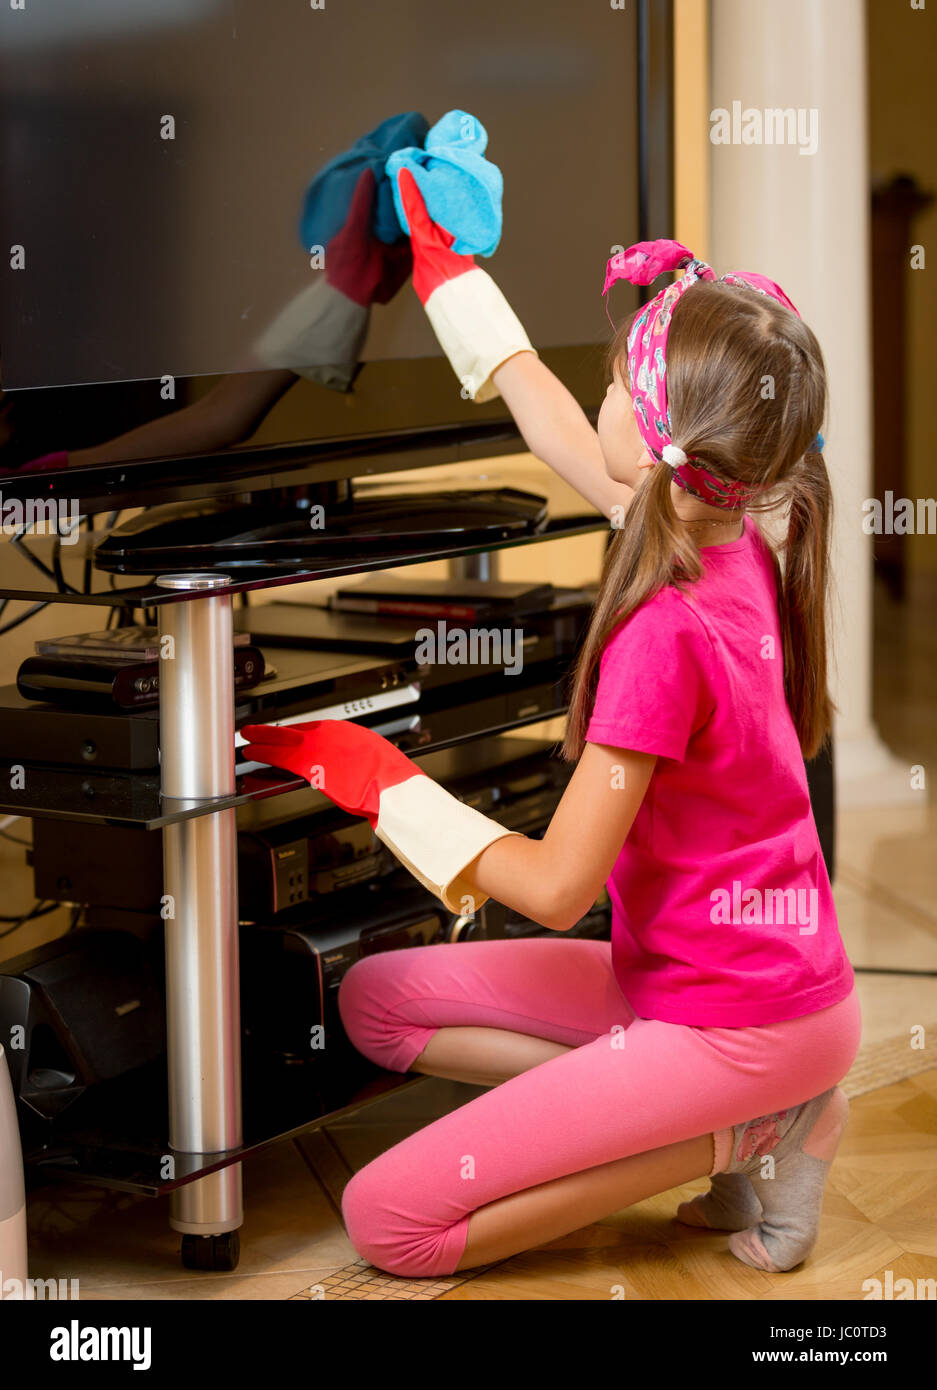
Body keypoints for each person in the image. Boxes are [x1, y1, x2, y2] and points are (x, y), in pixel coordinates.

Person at [241, 186, 860, 1281]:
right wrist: (446, 274)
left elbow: (556, 889)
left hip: (738, 1023)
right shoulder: (728, 527)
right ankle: (708, 1105)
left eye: (619, 383)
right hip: (704, 982)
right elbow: (550, 418)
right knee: (376, 1002)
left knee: (393, 1224)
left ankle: (741, 1130)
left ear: (657, 435)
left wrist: (388, 788)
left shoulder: (663, 629)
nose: (600, 396)